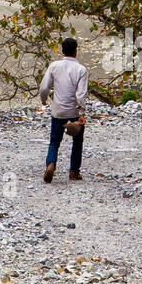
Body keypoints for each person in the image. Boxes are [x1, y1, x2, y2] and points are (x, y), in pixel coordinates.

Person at [39, 36, 88, 182]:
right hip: (73, 112)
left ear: (62, 51)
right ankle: (74, 172)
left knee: (54, 141)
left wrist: (43, 99)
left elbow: (45, 87)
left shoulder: (54, 66)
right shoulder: (81, 70)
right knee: (77, 142)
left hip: (58, 111)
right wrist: (82, 113)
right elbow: (80, 94)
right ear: (75, 51)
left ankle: (51, 164)